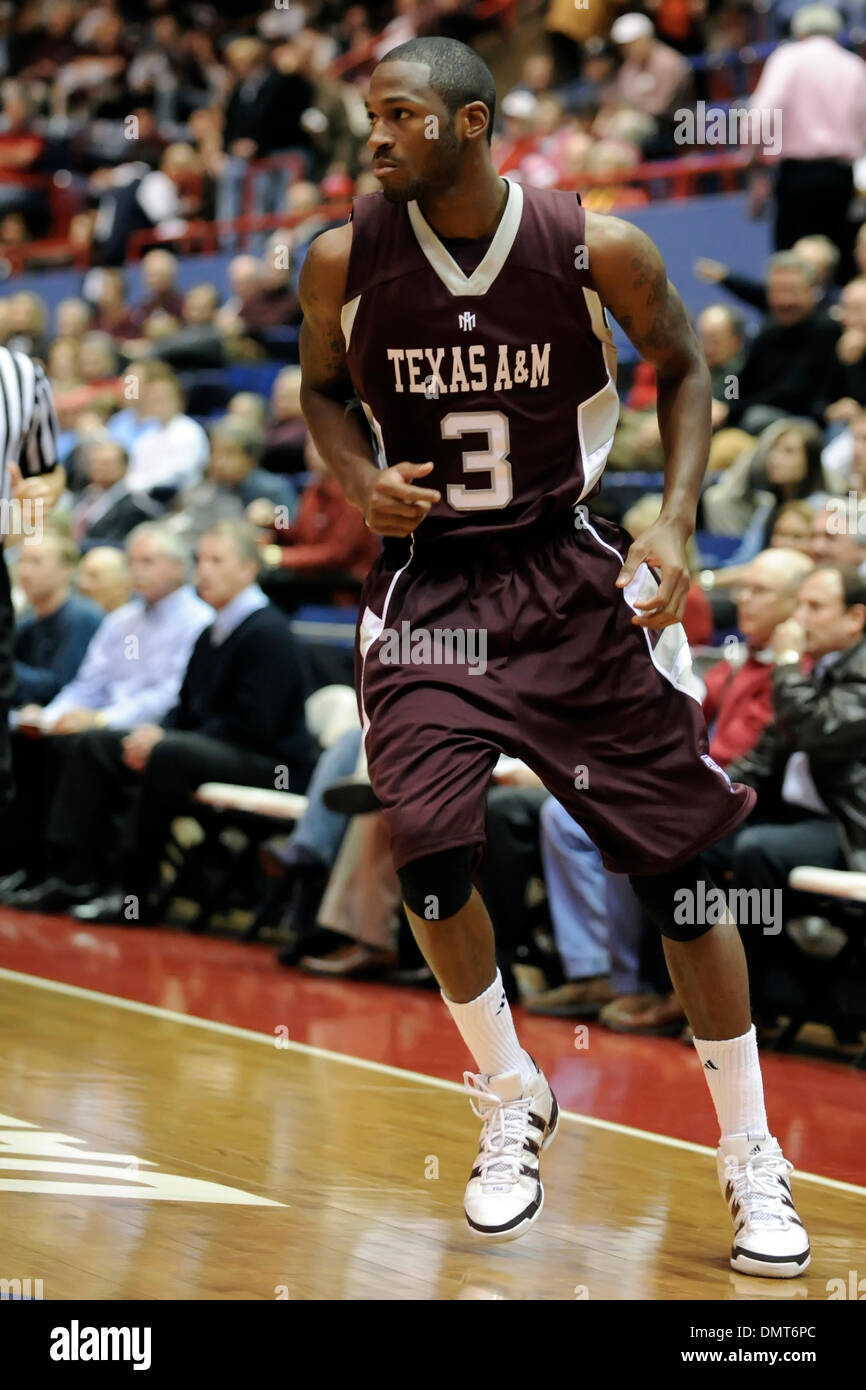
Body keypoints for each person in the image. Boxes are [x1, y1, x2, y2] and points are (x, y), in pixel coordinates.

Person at [298, 36, 810, 1275]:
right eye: (370, 116)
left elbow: (686, 368)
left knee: (682, 872)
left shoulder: (598, 246)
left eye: (399, 117)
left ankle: (749, 1154)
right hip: (430, 595)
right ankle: (511, 1090)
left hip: (569, 581)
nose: (374, 138)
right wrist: (362, 478)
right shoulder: (339, 257)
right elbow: (319, 391)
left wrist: (679, 513)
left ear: (470, 128)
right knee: (425, 851)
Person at [42, 522, 316, 926]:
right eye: (200, 560)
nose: (202, 571)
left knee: (170, 754)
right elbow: (186, 706)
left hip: (272, 764)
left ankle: (134, 892)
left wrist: (168, 739)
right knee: (97, 743)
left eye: (217, 561)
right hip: (217, 749)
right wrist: (158, 732)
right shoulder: (212, 631)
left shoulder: (268, 632)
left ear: (248, 569)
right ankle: (75, 873)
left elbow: (255, 725)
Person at [13, 530, 103, 706]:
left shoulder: (81, 617)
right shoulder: (28, 621)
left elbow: (62, 685)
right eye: (22, 561)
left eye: (36, 562)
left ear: (66, 570)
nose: (24, 571)